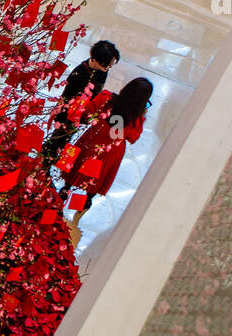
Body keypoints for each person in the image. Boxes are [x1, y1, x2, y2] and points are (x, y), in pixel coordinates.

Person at [59, 78, 153, 223]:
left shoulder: (107, 98)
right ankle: (86, 201)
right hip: (113, 148)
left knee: (78, 163)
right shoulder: (137, 118)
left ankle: (65, 190)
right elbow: (133, 138)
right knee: (99, 175)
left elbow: (88, 111)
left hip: (94, 137)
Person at [43, 40, 120, 167]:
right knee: (59, 139)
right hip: (69, 113)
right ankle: (46, 161)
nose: (108, 68)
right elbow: (66, 98)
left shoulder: (102, 71)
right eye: (107, 65)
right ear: (95, 60)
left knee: (66, 140)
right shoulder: (78, 74)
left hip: (83, 112)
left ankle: (50, 158)